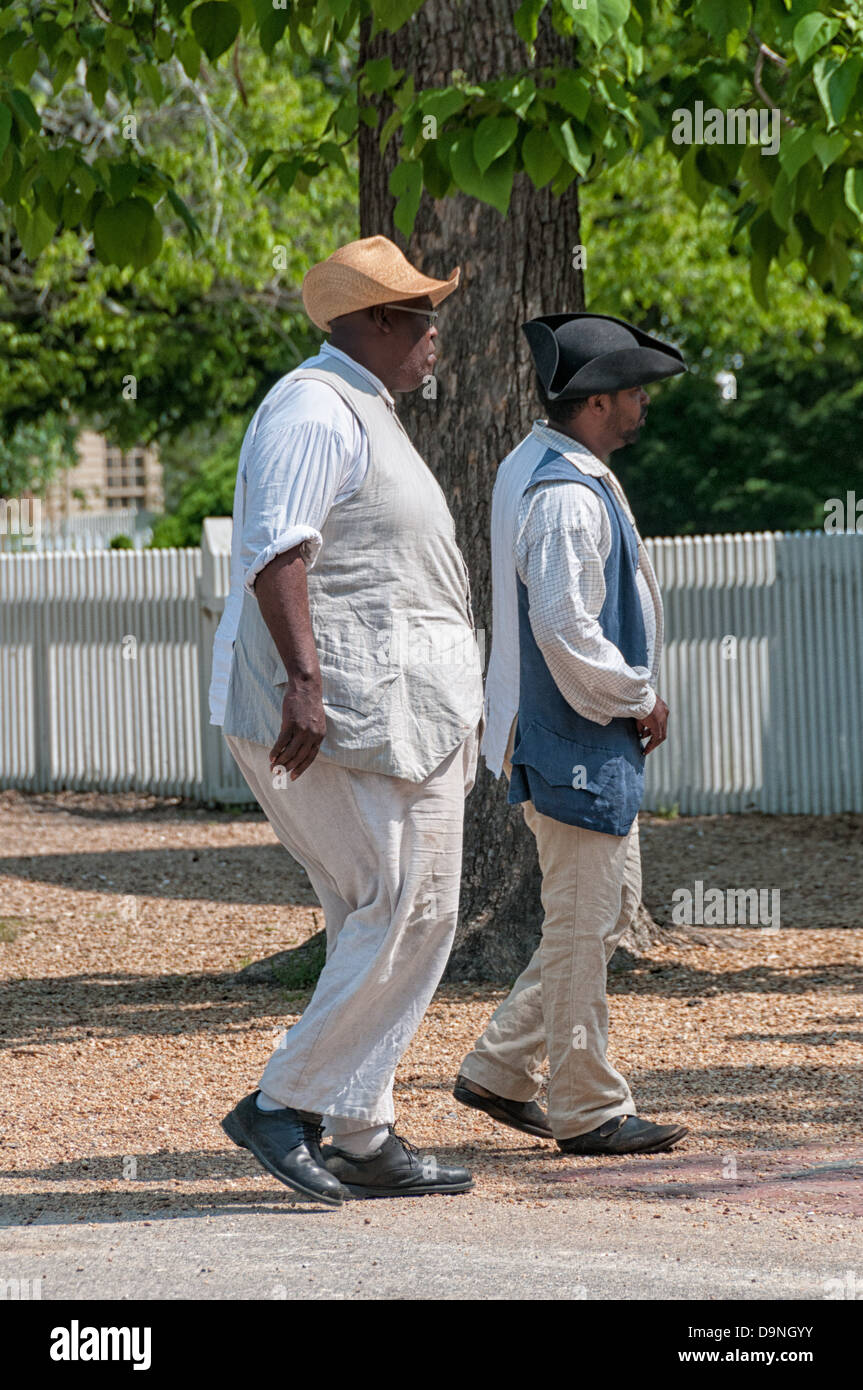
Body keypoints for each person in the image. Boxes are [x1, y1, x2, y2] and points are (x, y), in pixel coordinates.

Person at [212, 236, 484, 1203]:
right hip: (343, 714)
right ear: (372, 320)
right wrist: (304, 681)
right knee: (409, 905)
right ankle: (283, 1104)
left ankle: (362, 1133)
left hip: (394, 713)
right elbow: (277, 549)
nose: (433, 331)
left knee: (380, 909)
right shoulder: (315, 406)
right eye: (418, 313)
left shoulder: (364, 407)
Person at [454, 312, 691, 1155]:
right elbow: (563, 628)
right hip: (575, 732)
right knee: (583, 923)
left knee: (599, 912)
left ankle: (498, 1068)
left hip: (566, 732)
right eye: (631, 390)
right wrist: (638, 695)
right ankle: (588, 1107)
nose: (641, 402)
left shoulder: (541, 464)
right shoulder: (563, 496)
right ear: (594, 402)